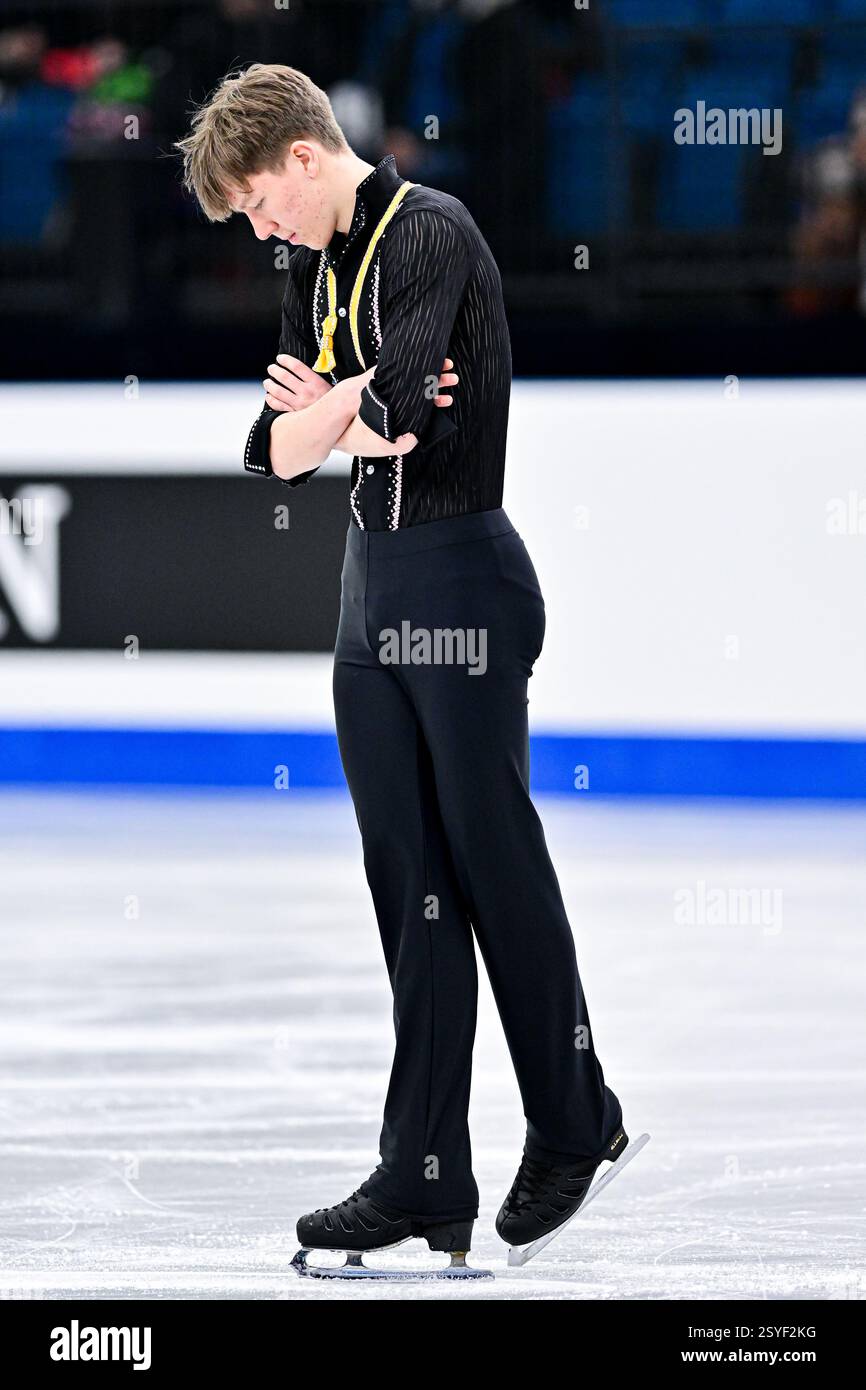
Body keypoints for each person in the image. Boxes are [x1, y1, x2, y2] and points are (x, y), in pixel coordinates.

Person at [175, 62, 627, 1274]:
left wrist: (328, 409)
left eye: (259, 204)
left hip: (462, 577)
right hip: (368, 588)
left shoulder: (430, 232)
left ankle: (577, 1117)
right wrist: (330, 410)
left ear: (304, 160)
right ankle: (423, 1171)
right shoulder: (314, 269)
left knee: (491, 862)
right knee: (408, 881)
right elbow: (267, 453)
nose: (257, 229)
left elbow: (401, 421)